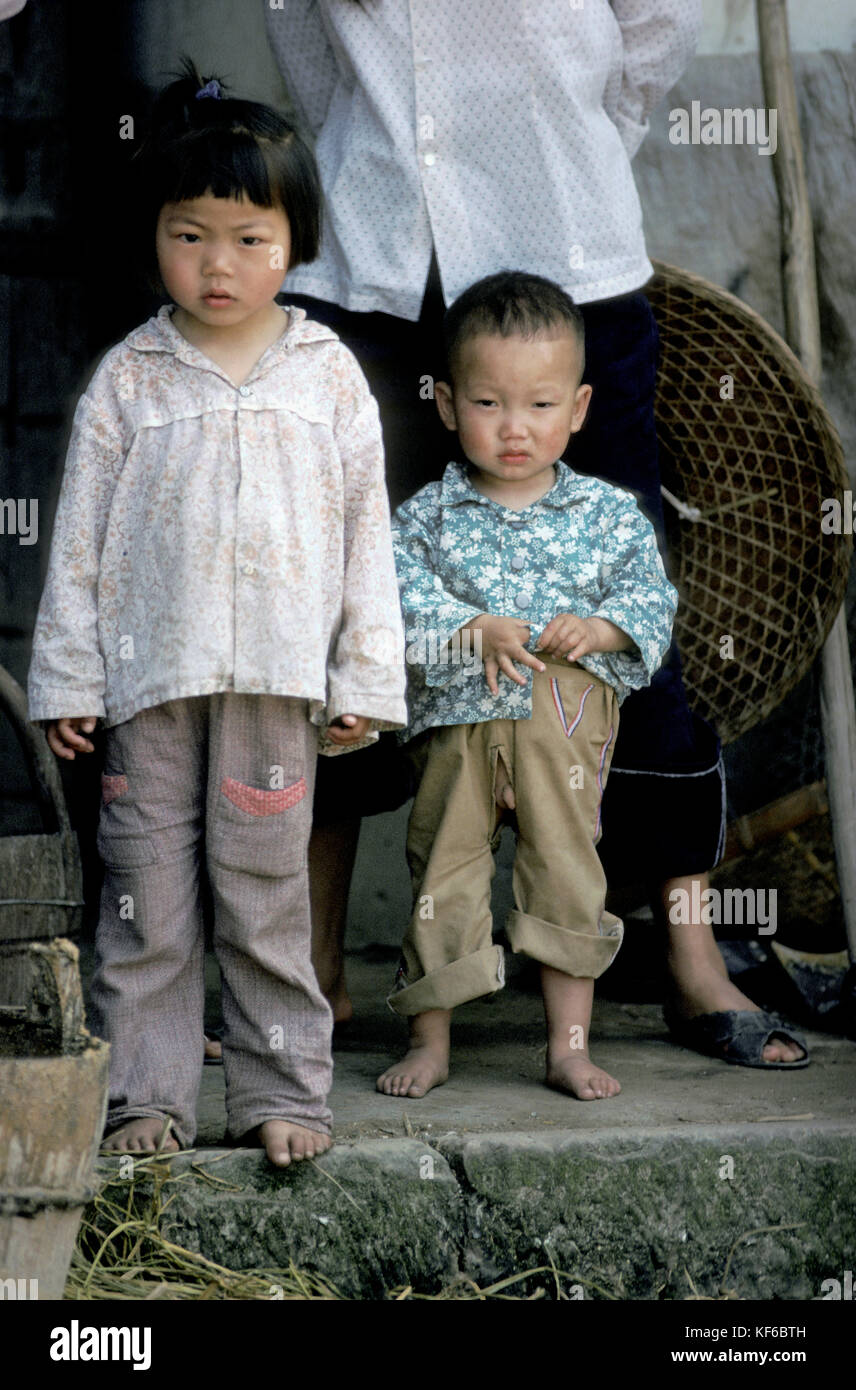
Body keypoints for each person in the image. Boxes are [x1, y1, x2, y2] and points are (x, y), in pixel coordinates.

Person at [267, 0, 808, 1068]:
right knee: (339, 613)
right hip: (372, 254)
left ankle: (691, 960)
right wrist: (383, 143)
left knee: (624, 590)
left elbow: (653, 23)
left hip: (560, 235)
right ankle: (311, 967)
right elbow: (305, 40)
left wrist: (570, 132)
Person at [27, 62, 407, 1166]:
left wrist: (364, 679)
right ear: (154, 235)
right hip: (149, 690)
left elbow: (361, 537)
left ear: (297, 238)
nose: (219, 263)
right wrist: (69, 681)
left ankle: (283, 1092)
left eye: (249, 236)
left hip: (277, 691)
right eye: (190, 234)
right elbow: (80, 546)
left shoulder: (325, 373)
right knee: (145, 903)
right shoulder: (131, 378)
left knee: (264, 898)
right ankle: (144, 1096)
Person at [378, 272, 677, 1099]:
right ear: (444, 404)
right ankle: (430, 1041)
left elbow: (651, 599)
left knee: (564, 871)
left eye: (540, 406)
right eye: (488, 404)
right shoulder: (425, 520)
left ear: (579, 409)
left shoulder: (610, 517)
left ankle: (568, 1046)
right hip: (459, 734)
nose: (515, 429)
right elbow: (392, 611)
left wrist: (605, 629)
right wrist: (465, 630)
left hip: (562, 733)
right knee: (443, 876)